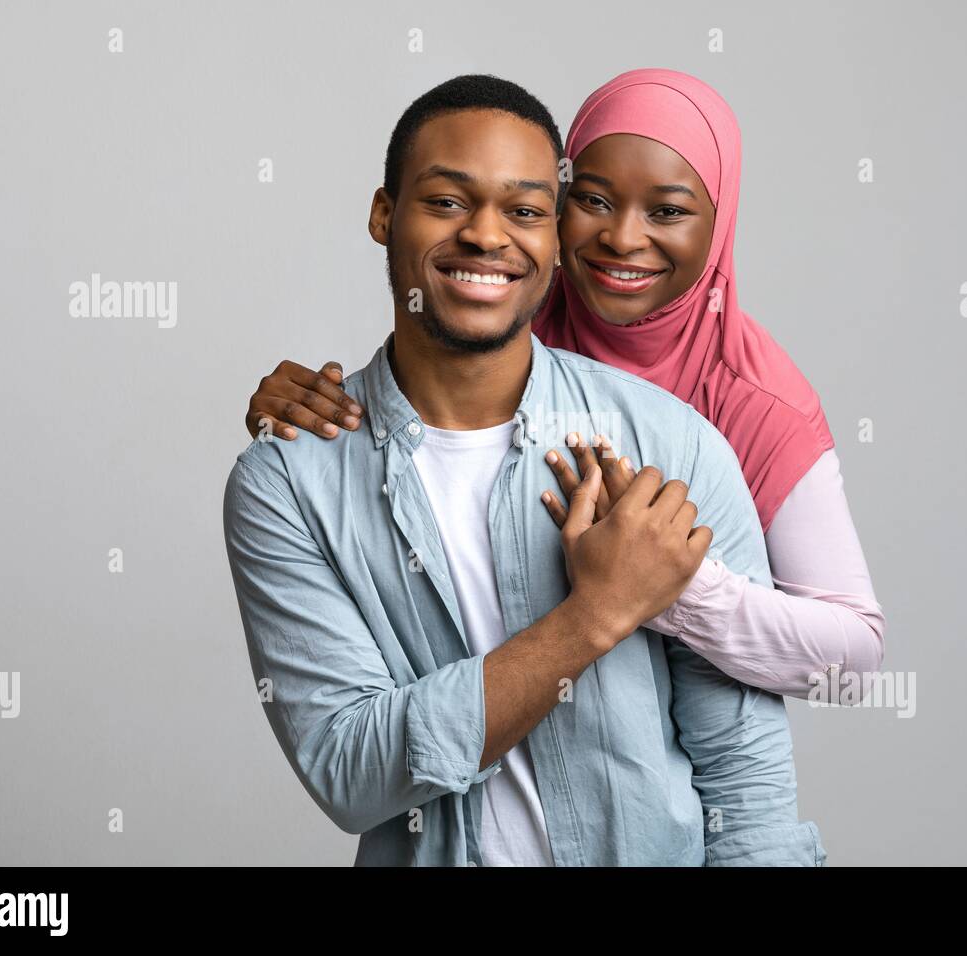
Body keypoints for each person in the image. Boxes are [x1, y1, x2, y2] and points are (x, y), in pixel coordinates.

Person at [223, 74, 825, 866]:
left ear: (554, 237)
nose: (486, 236)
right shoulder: (289, 484)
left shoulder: (667, 446)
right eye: (445, 201)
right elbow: (351, 770)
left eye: (526, 211)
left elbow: (745, 786)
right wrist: (594, 617)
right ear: (383, 214)